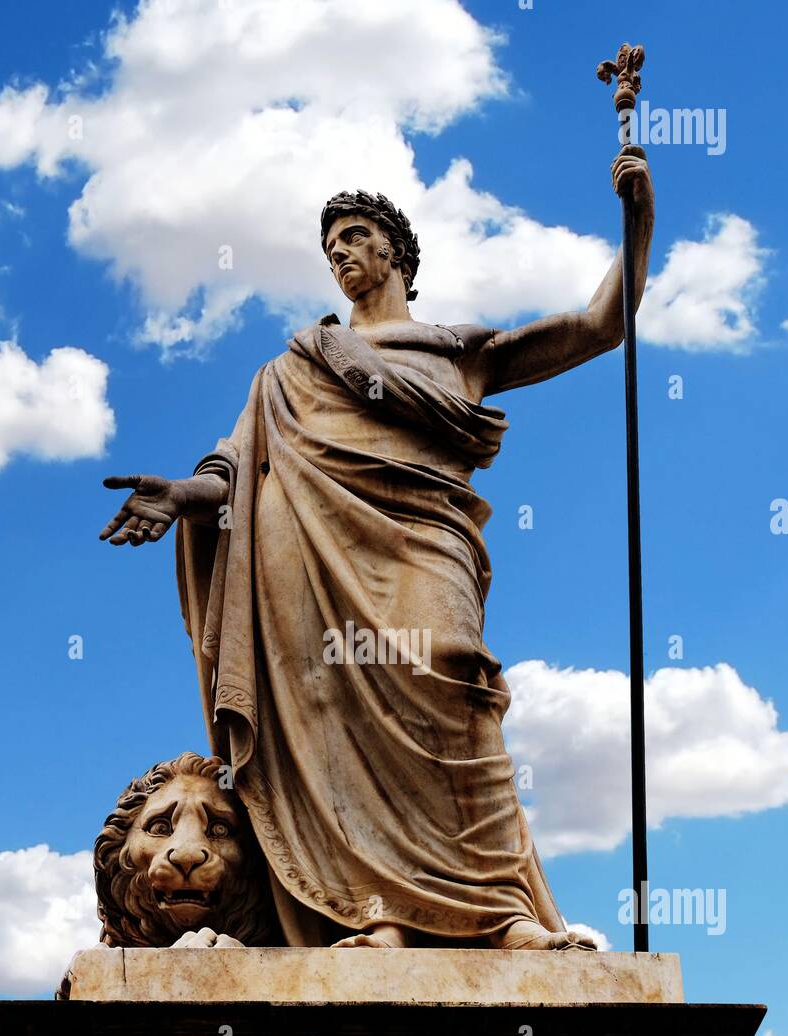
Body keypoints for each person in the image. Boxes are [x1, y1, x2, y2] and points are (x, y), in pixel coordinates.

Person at [99, 150, 654, 949]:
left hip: (424, 537)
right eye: (331, 246)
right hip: (304, 540)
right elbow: (239, 468)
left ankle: (503, 911)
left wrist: (637, 218)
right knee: (324, 718)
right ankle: (377, 914)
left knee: (457, 690)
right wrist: (181, 496)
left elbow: (604, 323)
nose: (341, 254)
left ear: (396, 249)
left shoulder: (457, 349)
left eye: (355, 236)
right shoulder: (292, 366)